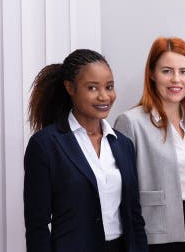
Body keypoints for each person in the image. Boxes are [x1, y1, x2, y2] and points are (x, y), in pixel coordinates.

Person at [24, 49, 147, 251]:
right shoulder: (46, 145)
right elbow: (37, 225)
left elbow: (134, 217)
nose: (104, 96)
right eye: (92, 88)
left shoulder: (123, 144)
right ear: (70, 88)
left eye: (109, 87)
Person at [114, 37, 185, 251]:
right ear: (152, 74)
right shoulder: (131, 122)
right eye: (167, 71)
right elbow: (123, 193)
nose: (177, 79)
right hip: (156, 234)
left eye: (184, 72)